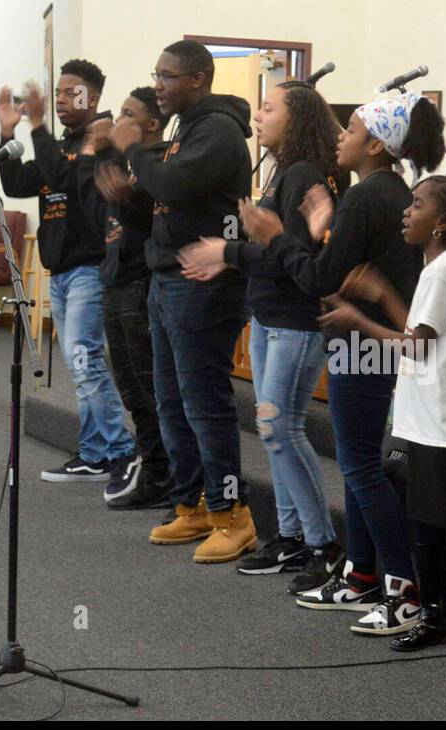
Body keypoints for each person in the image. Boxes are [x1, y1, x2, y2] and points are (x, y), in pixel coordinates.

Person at [241, 91, 445, 634]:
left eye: (351, 129)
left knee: (358, 464)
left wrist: (278, 237)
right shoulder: (384, 191)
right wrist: (319, 233)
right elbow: (336, 264)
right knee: (357, 461)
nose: (340, 136)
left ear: (376, 144)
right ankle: (359, 575)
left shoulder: (366, 196)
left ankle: (402, 588)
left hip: (363, 341)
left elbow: (319, 279)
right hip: (368, 339)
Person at [327, 176, 446, 673]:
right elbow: (418, 331)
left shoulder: (444, 269)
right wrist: (385, 294)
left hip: (445, 424)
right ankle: (434, 616)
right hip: (423, 419)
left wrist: (359, 321)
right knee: (426, 527)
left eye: (417, 205)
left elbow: (415, 346)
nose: (406, 213)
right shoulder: (438, 267)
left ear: (442, 221)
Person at [179, 80, 348, 577]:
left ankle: (322, 544)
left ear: (296, 121)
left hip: (296, 321)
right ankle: (291, 536)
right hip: (271, 317)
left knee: (280, 428)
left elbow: (294, 256)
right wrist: (236, 250)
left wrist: (227, 252)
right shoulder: (282, 173)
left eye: (268, 109)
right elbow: (276, 248)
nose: (257, 117)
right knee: (274, 430)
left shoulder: (302, 174)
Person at [100, 40, 257, 563]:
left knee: (204, 403)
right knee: (170, 401)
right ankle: (191, 506)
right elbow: (165, 206)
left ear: (198, 79)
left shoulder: (217, 130)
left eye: (168, 76)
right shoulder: (185, 130)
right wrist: (128, 199)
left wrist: (131, 150)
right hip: (168, 277)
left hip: (203, 286)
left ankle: (232, 515)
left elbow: (175, 182)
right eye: (157, 74)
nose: (159, 85)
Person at [0, 60, 138, 486]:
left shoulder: (103, 143)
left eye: (69, 93)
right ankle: (95, 453)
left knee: (85, 361)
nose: (59, 99)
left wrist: (37, 126)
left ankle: (123, 452)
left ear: (92, 98)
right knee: (79, 364)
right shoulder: (60, 143)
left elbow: (65, 178)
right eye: (56, 93)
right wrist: (8, 134)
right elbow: (18, 184)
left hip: (89, 268)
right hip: (59, 271)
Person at [77, 87, 175, 509]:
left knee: (147, 386)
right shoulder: (126, 162)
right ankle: (151, 462)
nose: (117, 120)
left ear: (150, 125)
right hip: (115, 279)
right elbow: (96, 211)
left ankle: (160, 471)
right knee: (129, 387)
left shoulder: (159, 163)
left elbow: (153, 223)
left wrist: (126, 194)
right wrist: (101, 157)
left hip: (140, 281)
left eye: (128, 114)